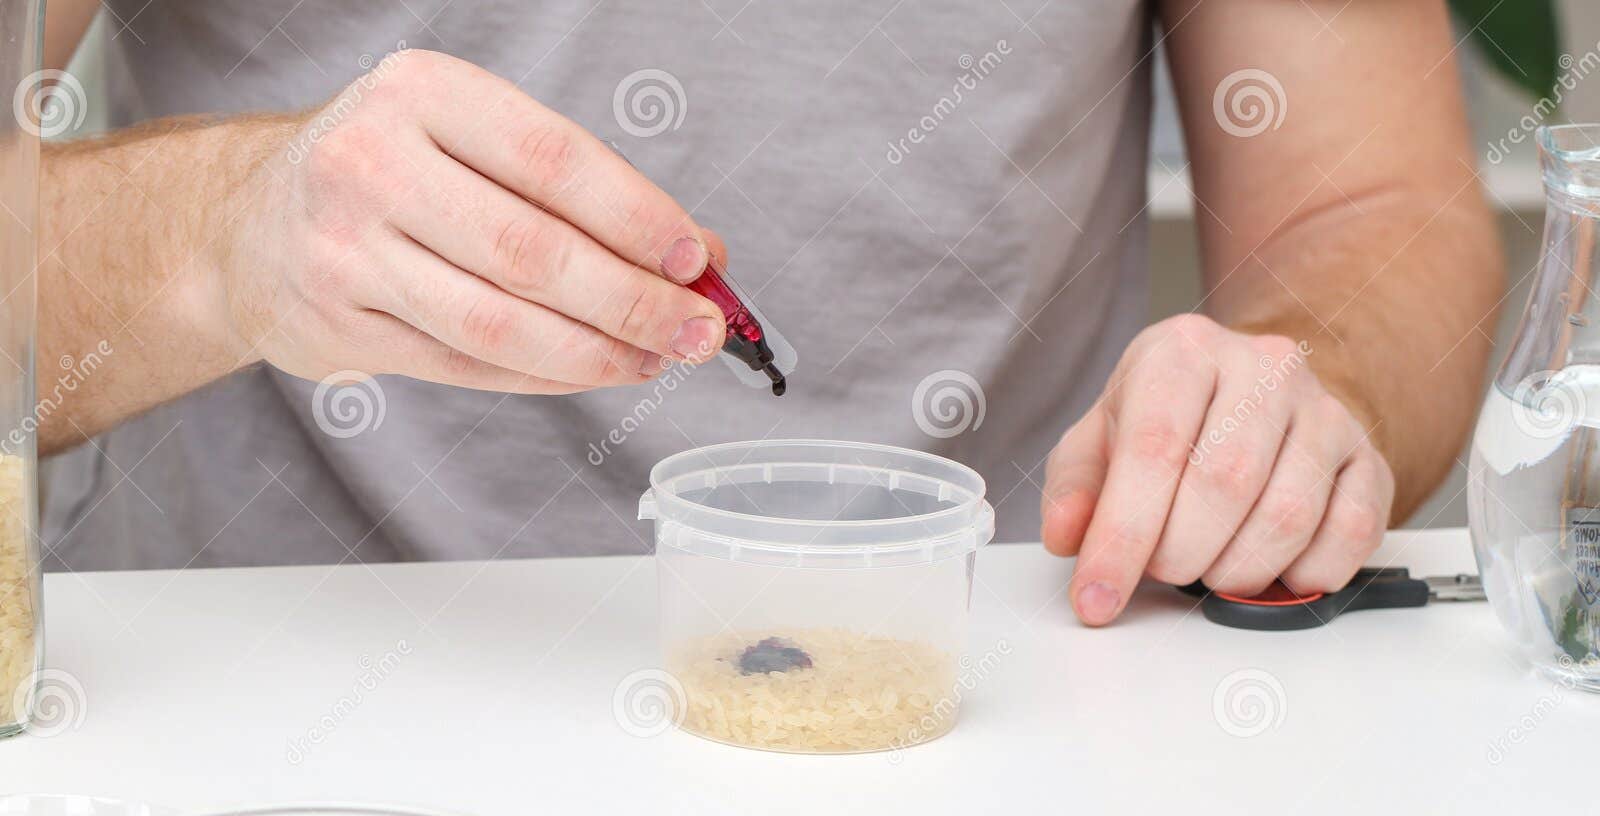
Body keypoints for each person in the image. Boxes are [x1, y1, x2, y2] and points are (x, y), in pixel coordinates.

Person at [35, 0, 1503, 626]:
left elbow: (1372, 209)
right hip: (264, 764)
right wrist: (218, 234)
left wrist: (1305, 390)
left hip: (1010, 703)